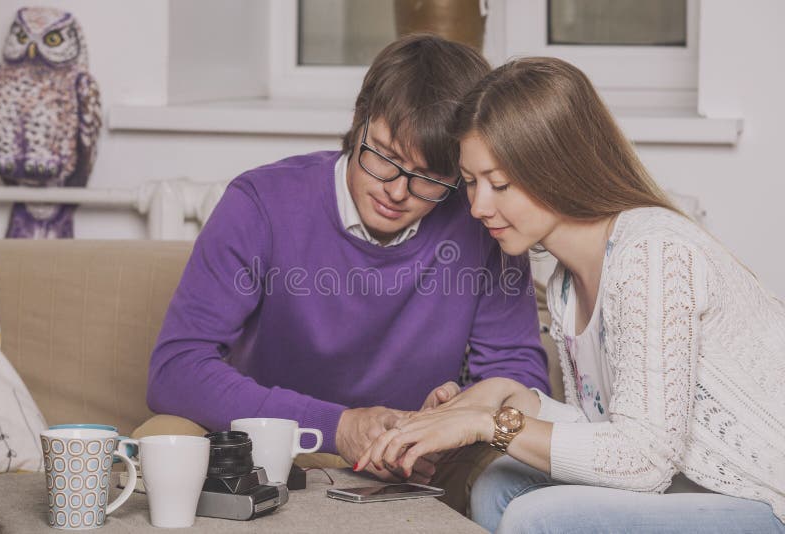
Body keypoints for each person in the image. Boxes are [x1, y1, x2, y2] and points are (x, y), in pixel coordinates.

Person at [356, 57, 785, 532]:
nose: (478, 207)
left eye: (499, 184)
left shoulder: (652, 254)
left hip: (765, 498)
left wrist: (488, 426)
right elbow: (607, 431)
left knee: (538, 516)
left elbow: (642, 462)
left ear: (555, 168)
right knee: (500, 484)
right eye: (472, 183)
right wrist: (504, 399)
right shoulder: (566, 283)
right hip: (694, 488)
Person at [141, 35, 550, 514]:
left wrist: (457, 417)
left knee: (517, 477)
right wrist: (339, 428)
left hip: (417, 468)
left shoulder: (482, 222)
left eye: (429, 178)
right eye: (383, 156)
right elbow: (175, 370)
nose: (397, 191)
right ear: (359, 120)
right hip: (274, 458)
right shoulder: (260, 203)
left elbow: (520, 380)